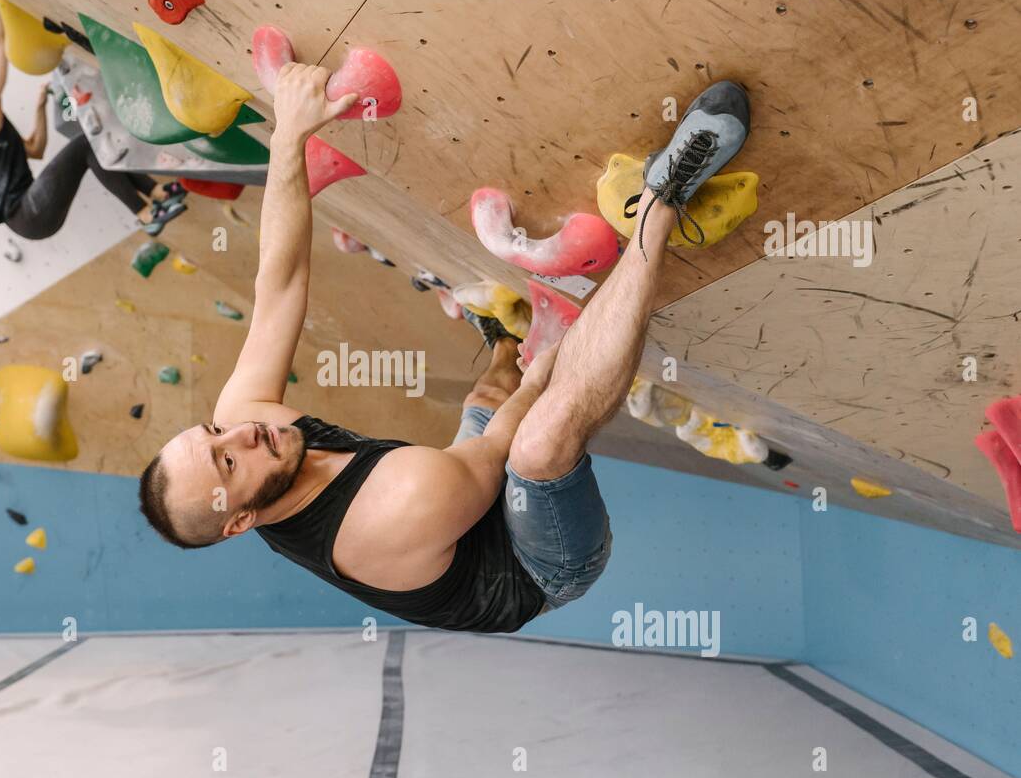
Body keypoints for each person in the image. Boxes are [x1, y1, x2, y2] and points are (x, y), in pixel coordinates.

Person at [138, 60, 750, 634]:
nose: (238, 433)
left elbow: (278, 284)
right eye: (226, 462)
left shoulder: (246, 428)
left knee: (490, 390)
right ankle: (666, 198)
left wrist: (287, 138)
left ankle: (509, 340)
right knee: (539, 442)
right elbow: (504, 440)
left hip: (453, 498)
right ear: (241, 520)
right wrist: (550, 361)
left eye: (210, 432)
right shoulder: (390, 513)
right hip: (537, 565)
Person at [0, 8, 185, 240]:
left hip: (31, 218)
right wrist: (0, 1)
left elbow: (34, 149)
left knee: (91, 146)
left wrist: (39, 108)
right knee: (88, 143)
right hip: (28, 212)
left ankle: (156, 192)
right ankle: (145, 211)